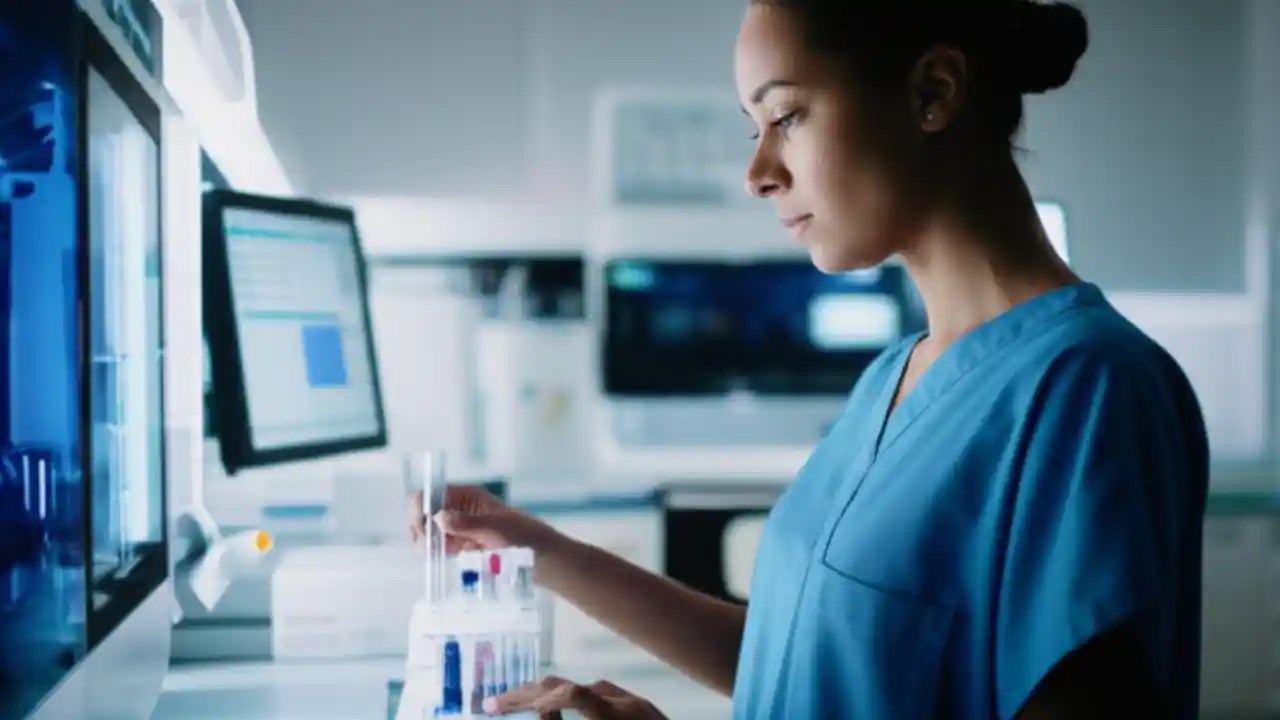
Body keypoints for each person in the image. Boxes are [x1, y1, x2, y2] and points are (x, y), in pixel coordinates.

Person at [410, 0, 1209, 717]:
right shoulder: (890, 380)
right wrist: (541, 550)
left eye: (786, 115)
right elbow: (799, 658)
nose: (758, 173)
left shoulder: (1086, 390)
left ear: (933, 92)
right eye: (752, 130)